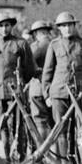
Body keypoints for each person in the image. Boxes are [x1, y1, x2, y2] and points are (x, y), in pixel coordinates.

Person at [43, 11, 82, 164]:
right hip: (58, 92)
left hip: (80, 93)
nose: (67, 28)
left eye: (69, 25)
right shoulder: (54, 45)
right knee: (61, 129)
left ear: (74, 25)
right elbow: (47, 71)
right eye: (63, 26)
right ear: (59, 28)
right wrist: (46, 94)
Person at [0, 12, 36, 162]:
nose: (4, 29)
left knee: (16, 124)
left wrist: (22, 83)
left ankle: (19, 157)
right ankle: (7, 158)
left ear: (11, 26)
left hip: (14, 90)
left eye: (7, 25)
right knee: (2, 125)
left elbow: (29, 69)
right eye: (1, 26)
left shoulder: (21, 44)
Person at [25, 20, 55, 151]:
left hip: (37, 87)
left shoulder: (34, 47)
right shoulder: (56, 43)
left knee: (40, 122)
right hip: (54, 88)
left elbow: (27, 67)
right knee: (56, 123)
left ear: (36, 33)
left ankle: (41, 154)